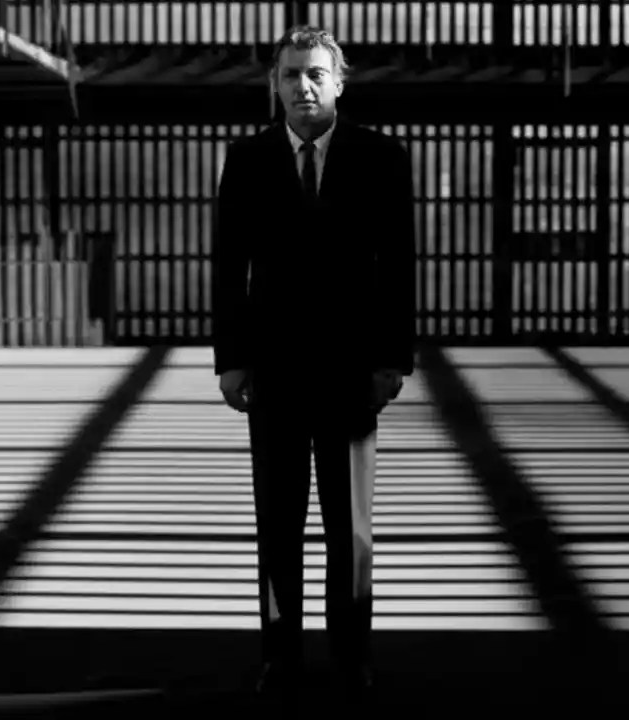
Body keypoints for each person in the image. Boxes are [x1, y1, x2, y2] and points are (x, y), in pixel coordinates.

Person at [211, 24, 417, 702]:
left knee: (349, 530)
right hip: (272, 371)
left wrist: (393, 359)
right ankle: (280, 659)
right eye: (292, 73)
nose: (303, 84)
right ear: (273, 84)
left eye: (316, 73)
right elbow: (227, 269)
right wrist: (231, 361)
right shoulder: (245, 160)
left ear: (339, 82)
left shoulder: (382, 158)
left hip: (352, 370)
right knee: (278, 524)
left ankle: (352, 659)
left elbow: (399, 268)